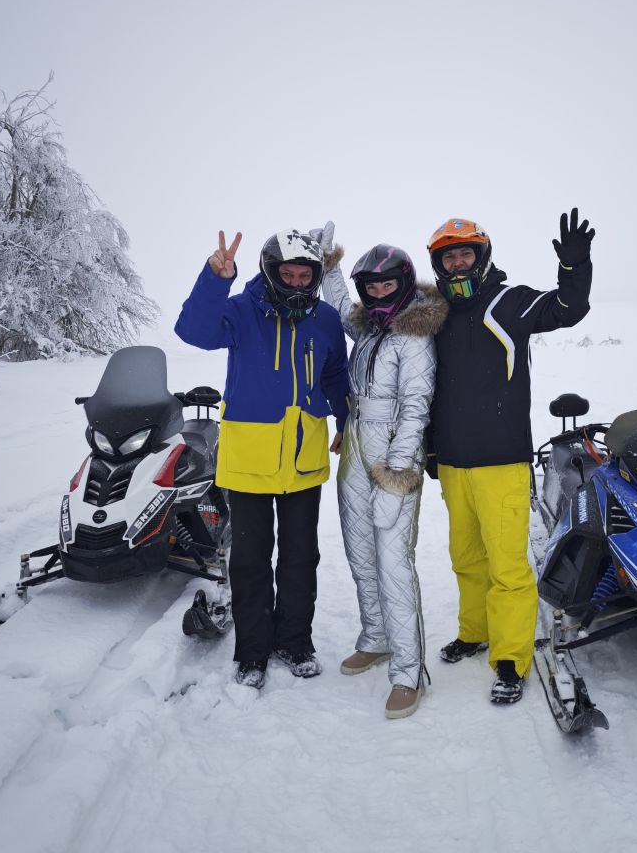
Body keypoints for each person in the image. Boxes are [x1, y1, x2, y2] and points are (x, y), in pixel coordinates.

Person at [426, 209, 594, 704]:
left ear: (481, 256)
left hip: (501, 460)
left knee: (507, 566)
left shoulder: (510, 301)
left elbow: (568, 308)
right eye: (448, 256)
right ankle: (474, 631)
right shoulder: (435, 315)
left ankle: (510, 657)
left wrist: (574, 266)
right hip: (453, 463)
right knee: (466, 558)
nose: (457, 264)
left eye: (465, 254)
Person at [175, 228, 349, 690]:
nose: (294, 282)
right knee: (250, 560)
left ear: (313, 278)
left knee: (299, 557)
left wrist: (346, 421)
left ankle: (295, 642)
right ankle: (252, 651)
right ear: (271, 272)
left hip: (303, 459)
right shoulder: (241, 310)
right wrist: (217, 279)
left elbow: (335, 377)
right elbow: (193, 331)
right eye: (286, 273)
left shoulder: (327, 320)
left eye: (303, 275)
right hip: (249, 461)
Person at [317, 223, 447, 719]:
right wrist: (329, 265)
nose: (376, 293)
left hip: (394, 455)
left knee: (394, 562)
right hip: (354, 445)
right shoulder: (371, 328)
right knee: (360, 553)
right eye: (370, 286)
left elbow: (416, 408)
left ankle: (409, 671)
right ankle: (376, 637)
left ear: (406, 283)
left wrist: (397, 475)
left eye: (385, 285)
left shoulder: (413, 337)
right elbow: (341, 308)